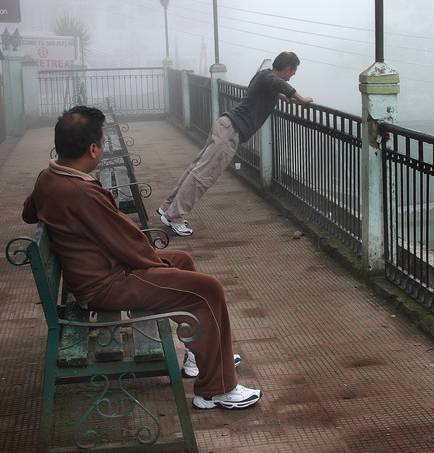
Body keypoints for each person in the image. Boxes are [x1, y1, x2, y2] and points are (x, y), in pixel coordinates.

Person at [22, 105, 261, 410]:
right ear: (93, 149)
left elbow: (29, 211)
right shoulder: (80, 192)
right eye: (103, 143)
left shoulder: (50, 176)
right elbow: (127, 242)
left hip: (93, 274)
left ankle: (198, 356)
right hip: (104, 284)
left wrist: (161, 264)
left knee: (183, 263)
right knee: (207, 288)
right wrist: (156, 264)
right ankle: (216, 390)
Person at [158, 51, 314, 236]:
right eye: (292, 73)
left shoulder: (263, 75)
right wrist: (302, 99)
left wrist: (279, 95)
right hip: (231, 132)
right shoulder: (271, 77)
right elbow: (278, 83)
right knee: (203, 175)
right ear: (288, 68)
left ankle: (167, 208)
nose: (292, 76)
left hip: (226, 125)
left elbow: (271, 87)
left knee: (197, 169)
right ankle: (174, 216)